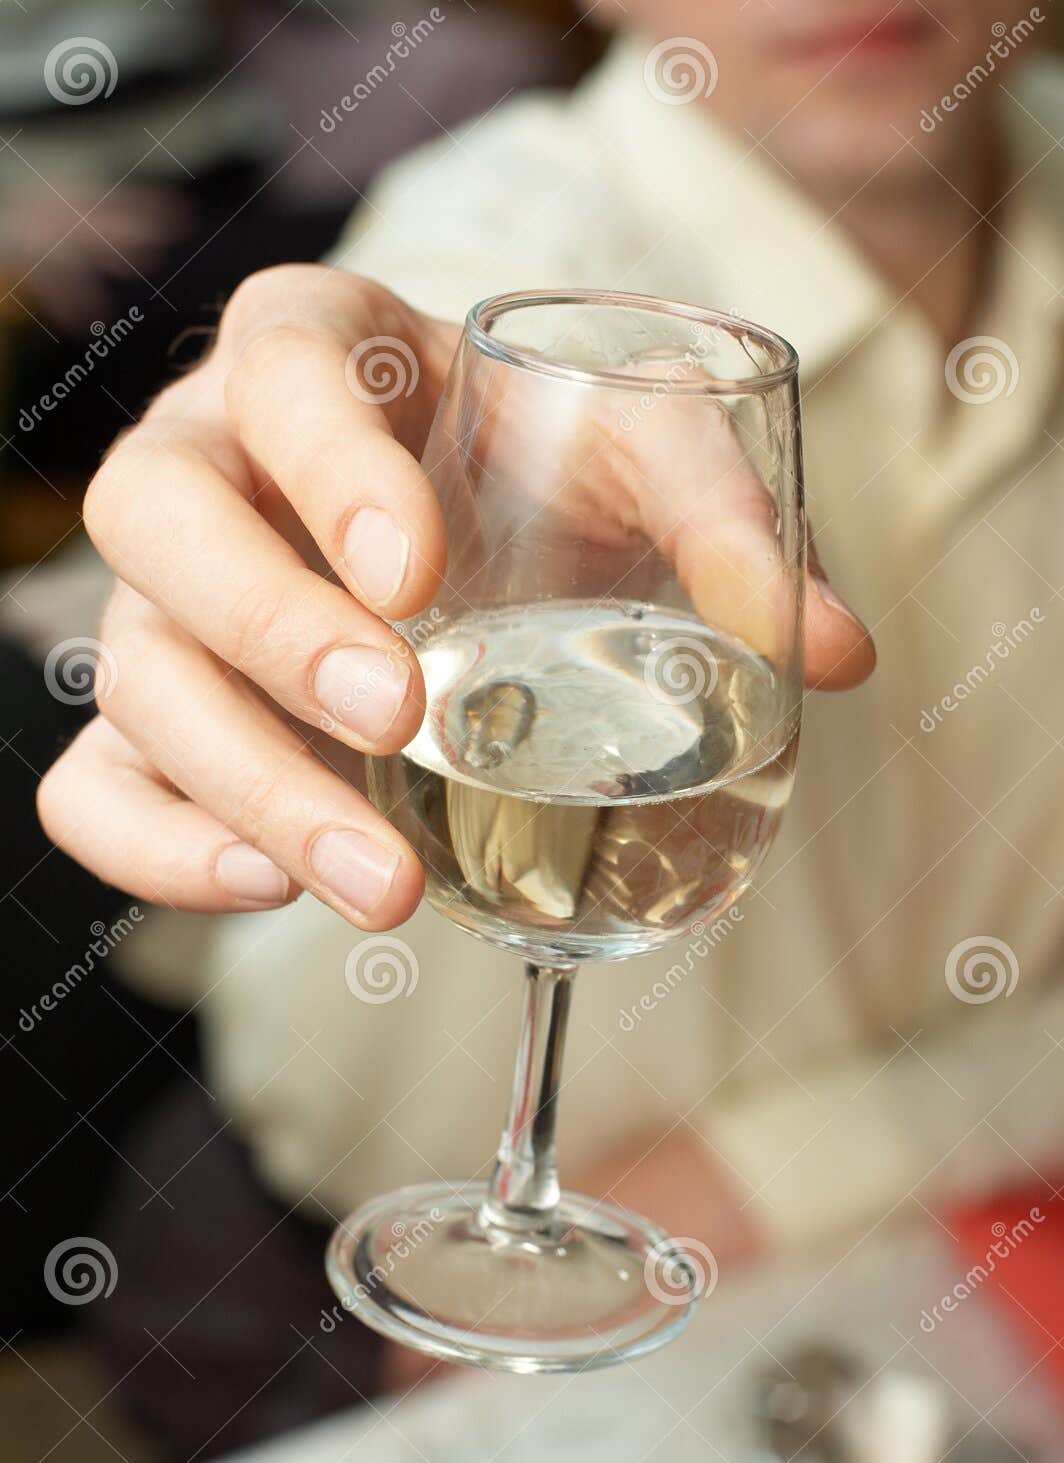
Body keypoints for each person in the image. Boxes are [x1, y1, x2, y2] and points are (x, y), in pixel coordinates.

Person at [37, 0, 1064, 1326]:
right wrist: (293, 448)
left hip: (901, 1278)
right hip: (354, 1295)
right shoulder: (509, 221)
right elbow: (447, 314)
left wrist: (778, 1169)